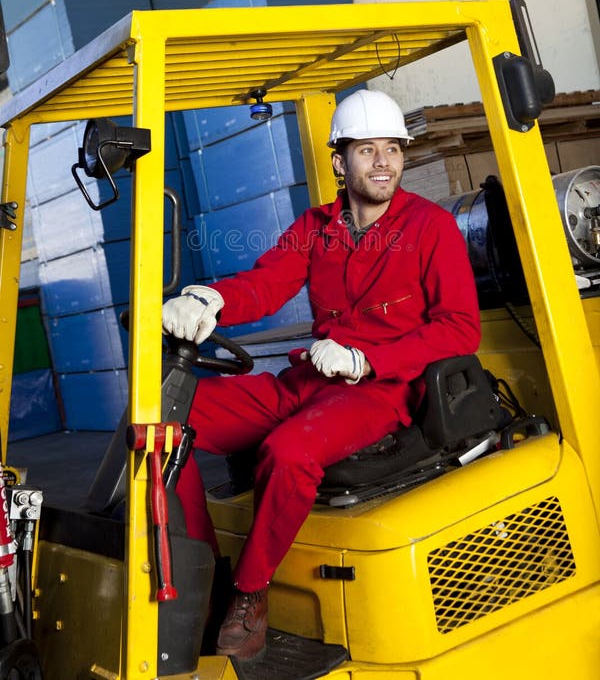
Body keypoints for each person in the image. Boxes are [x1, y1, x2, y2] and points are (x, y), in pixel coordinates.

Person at [162, 88, 481, 663]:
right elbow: (266, 283)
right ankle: (200, 573)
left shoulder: (430, 227)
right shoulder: (317, 226)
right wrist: (210, 298)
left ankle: (249, 593)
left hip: (381, 390)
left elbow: (460, 329)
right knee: (166, 420)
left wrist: (367, 360)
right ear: (340, 162)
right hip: (308, 382)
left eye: (393, 149)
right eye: (367, 150)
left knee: (288, 452)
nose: (383, 162)